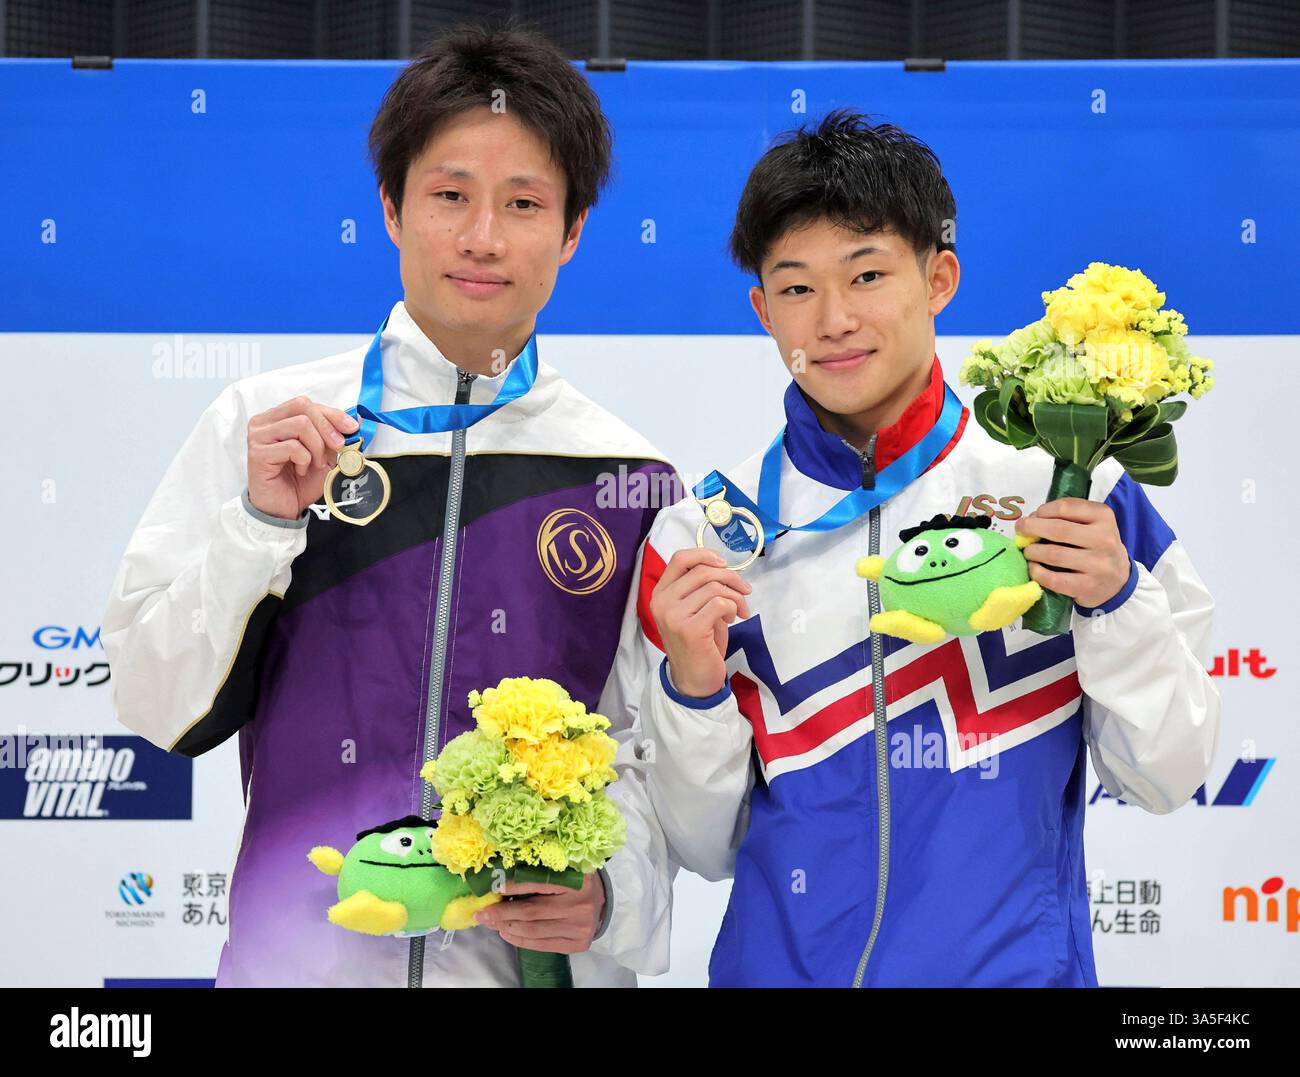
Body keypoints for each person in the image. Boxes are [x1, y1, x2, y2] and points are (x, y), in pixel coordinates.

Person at [101, 25, 674, 988]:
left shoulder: (627, 475)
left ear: (572, 232)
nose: (482, 236)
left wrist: (614, 895)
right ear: (392, 209)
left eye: (524, 203)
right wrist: (260, 524)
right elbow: (159, 706)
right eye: (450, 195)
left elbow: (662, 770)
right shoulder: (268, 429)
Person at [620, 109, 1221, 986]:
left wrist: (1117, 603)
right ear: (760, 308)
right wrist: (694, 688)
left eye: (867, 275)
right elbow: (705, 847)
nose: (832, 320)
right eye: (795, 288)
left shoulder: (1064, 489)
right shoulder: (707, 534)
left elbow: (1167, 773)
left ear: (939, 277)